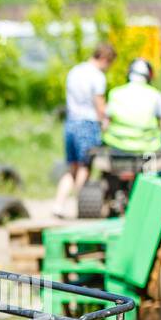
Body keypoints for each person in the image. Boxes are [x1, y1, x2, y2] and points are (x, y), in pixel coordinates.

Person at [54, 42, 117, 219]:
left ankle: (58, 204)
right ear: (105, 59)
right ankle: (79, 204)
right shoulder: (97, 76)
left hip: (71, 122)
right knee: (85, 166)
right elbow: (99, 103)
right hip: (87, 124)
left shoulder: (75, 71)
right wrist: (105, 120)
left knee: (72, 167)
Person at [104, 58, 161, 154]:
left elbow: (105, 124)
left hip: (118, 147)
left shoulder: (115, 93)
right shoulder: (155, 95)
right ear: (149, 76)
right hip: (147, 149)